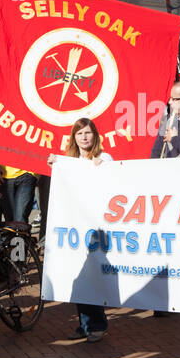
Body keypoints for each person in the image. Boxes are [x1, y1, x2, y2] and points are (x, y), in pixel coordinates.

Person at [48, 118, 113, 341]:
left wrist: (102, 169)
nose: (84, 137)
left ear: (95, 135)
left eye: (88, 133)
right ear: (73, 138)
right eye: (79, 134)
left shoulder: (104, 158)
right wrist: (57, 167)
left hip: (97, 226)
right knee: (77, 272)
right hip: (74, 227)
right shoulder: (69, 161)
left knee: (92, 273)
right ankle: (86, 324)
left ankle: (97, 324)